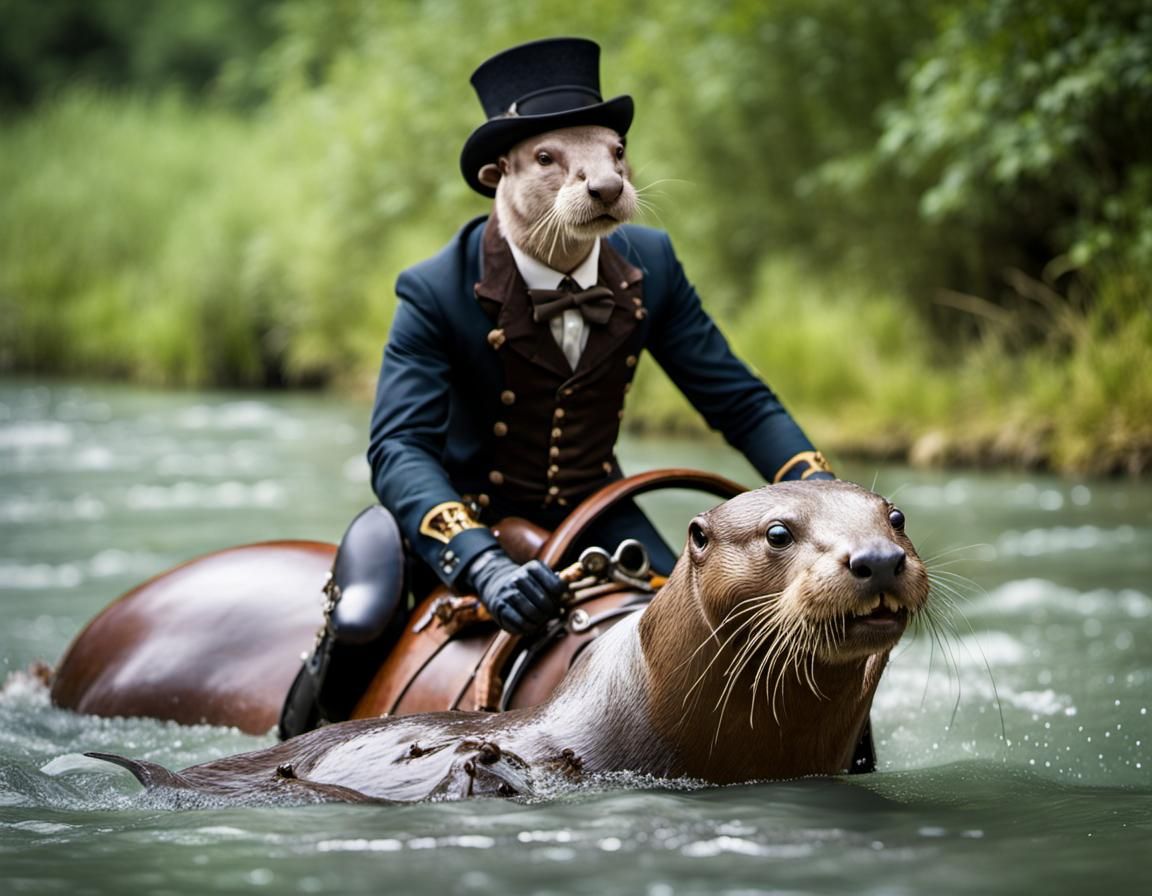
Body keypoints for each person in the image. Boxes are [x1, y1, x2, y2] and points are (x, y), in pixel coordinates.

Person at [367, 37, 834, 638]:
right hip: (467, 524)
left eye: (614, 155)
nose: (606, 181)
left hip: (597, 513)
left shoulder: (653, 264)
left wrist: (821, 491)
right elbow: (399, 449)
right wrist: (483, 564)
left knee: (720, 640)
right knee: (359, 626)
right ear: (498, 173)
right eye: (547, 159)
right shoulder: (436, 289)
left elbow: (737, 401)